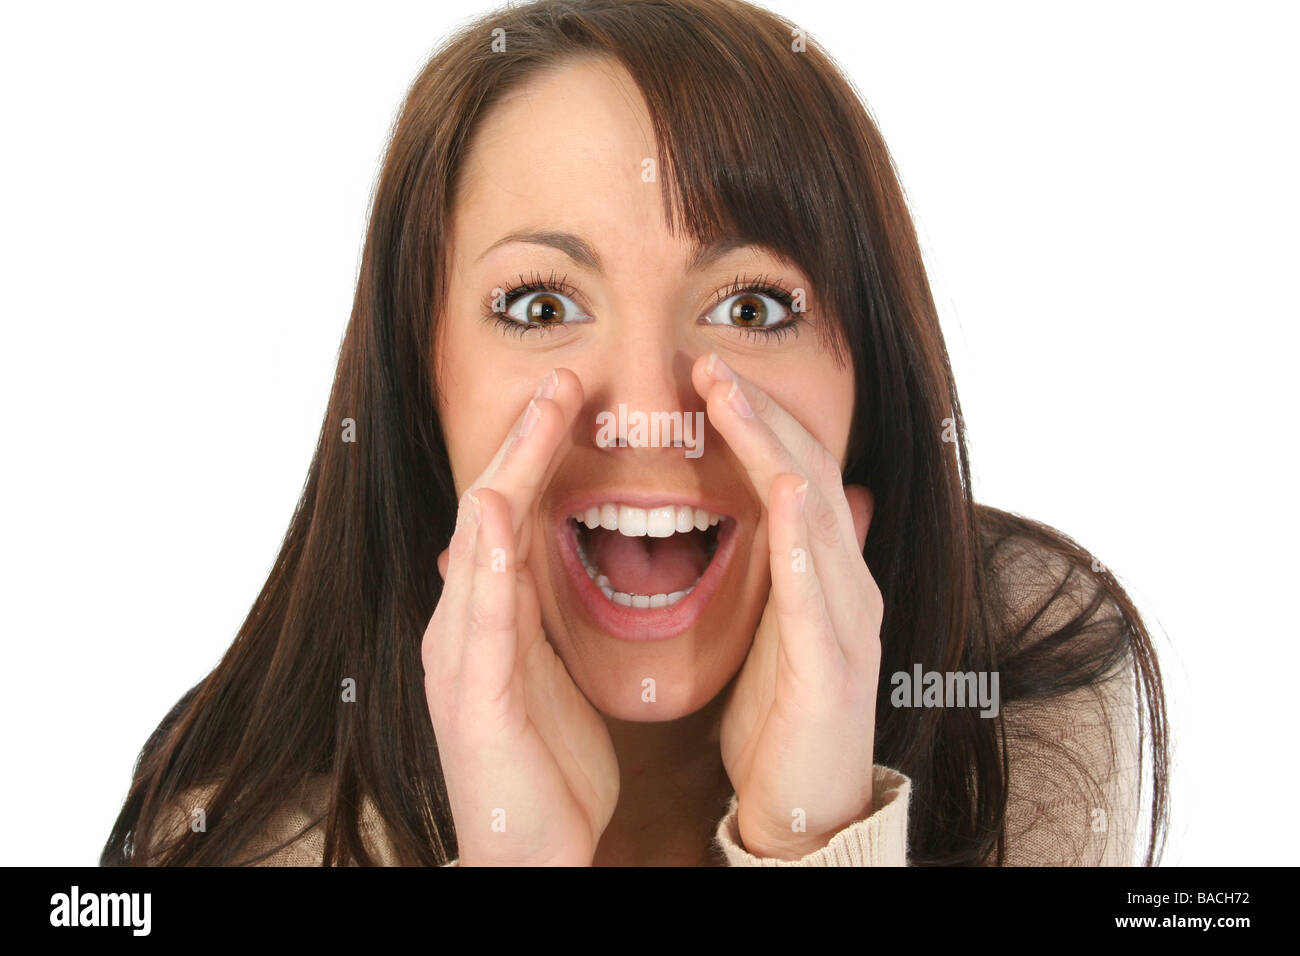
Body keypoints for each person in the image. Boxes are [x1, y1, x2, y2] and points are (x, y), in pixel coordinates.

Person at [102, 0, 1169, 867]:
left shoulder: (1022, 690)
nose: (649, 406)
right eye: (540, 306)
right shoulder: (246, 838)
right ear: (417, 377)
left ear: (871, 377)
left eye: (750, 308)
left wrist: (813, 839)